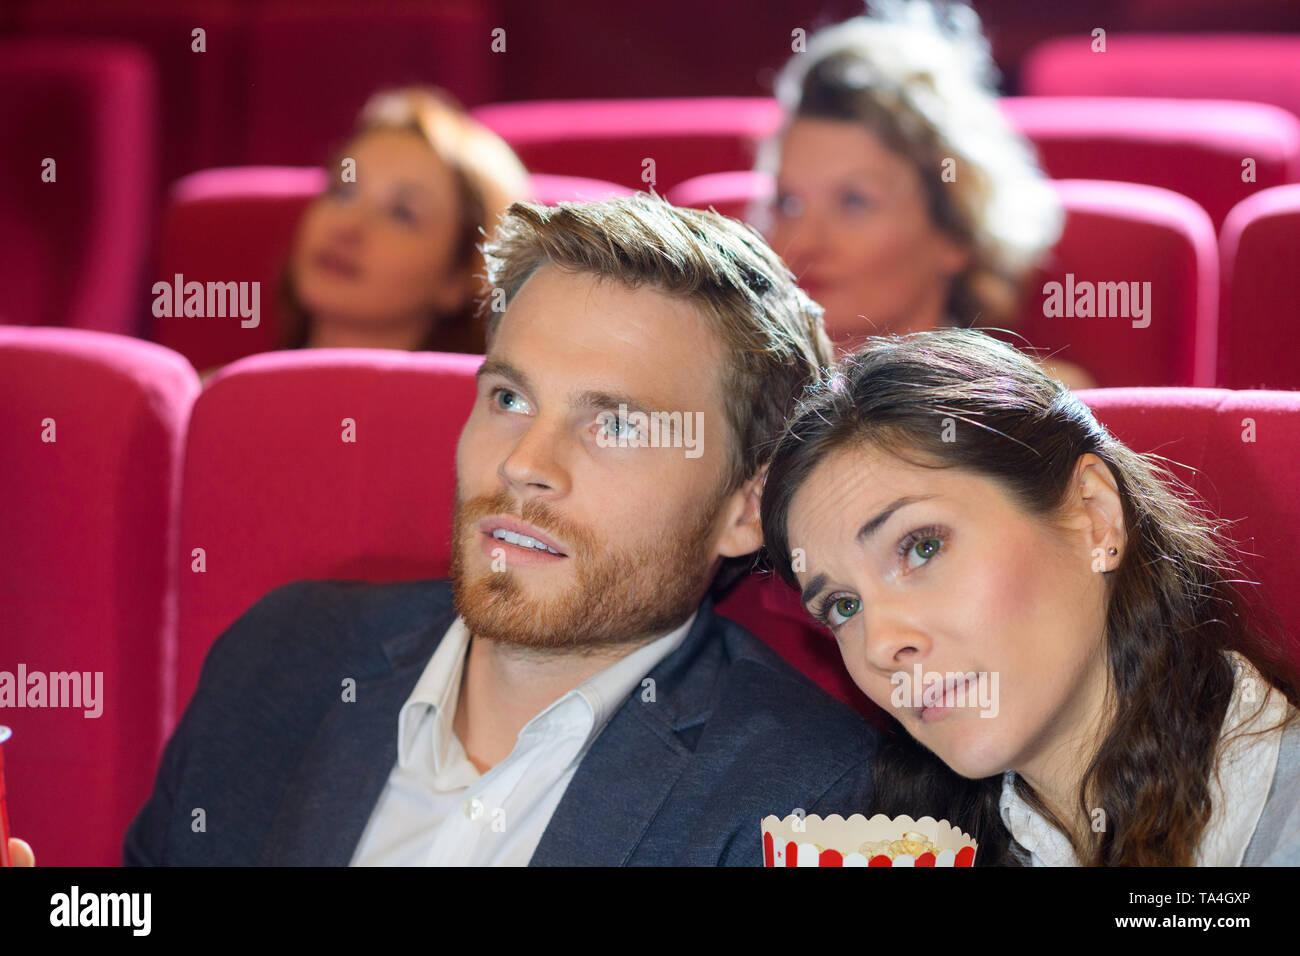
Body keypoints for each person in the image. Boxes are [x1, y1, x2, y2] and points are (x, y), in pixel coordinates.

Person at [111, 194, 875, 866]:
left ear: (746, 508)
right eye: (509, 399)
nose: (523, 464)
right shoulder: (279, 659)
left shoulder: (811, 807)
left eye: (613, 424)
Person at [759, 327, 1300, 866]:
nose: (880, 646)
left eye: (922, 548)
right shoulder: (912, 838)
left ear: (1095, 516)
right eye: (844, 607)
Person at [760, 1, 1096, 389]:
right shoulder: (741, 405)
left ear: (955, 231)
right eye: (788, 202)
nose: (803, 242)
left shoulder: (1036, 411)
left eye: (853, 201)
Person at [197, 87, 529, 383]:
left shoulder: (479, 442)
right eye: (342, 192)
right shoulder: (208, 401)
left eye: (402, 213)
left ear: (460, 278)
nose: (347, 226)